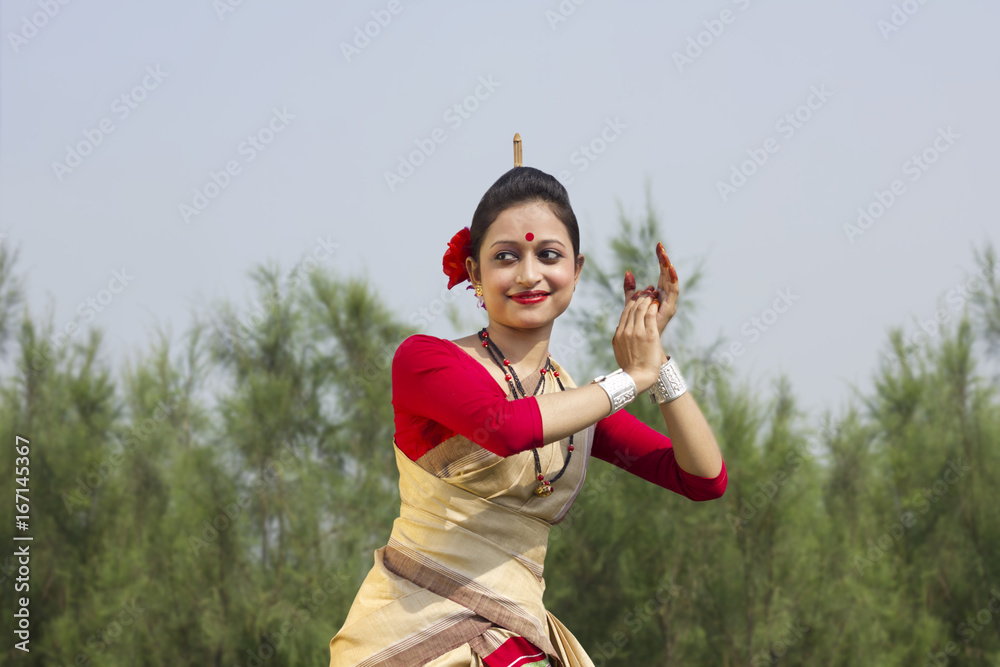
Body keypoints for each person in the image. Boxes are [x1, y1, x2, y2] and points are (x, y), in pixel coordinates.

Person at [329, 139, 726, 667]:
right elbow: (504, 427)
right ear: (473, 271)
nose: (528, 274)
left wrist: (659, 365)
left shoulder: (573, 408)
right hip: (412, 634)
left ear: (577, 271)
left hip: (515, 632)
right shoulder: (425, 361)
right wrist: (630, 379)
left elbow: (703, 480)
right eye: (506, 257)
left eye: (549, 255)